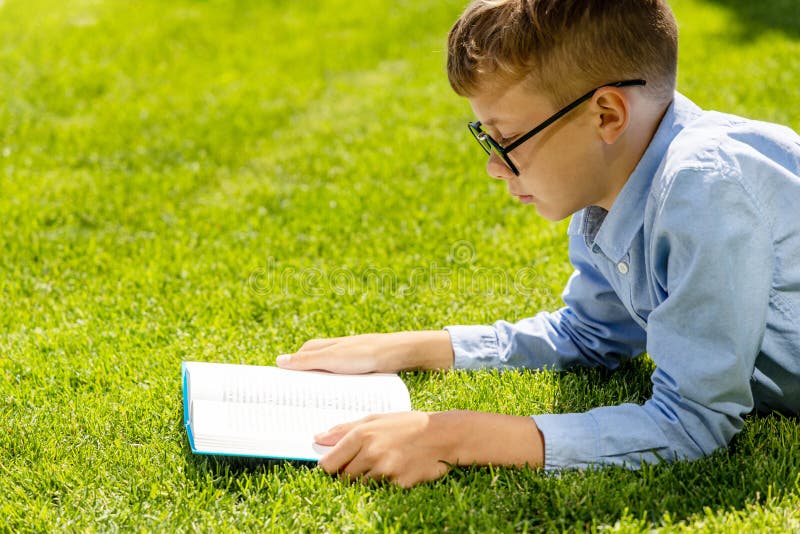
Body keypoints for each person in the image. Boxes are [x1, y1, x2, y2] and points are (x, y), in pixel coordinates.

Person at [276, 0, 800, 488]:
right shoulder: (613, 184)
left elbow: (692, 423)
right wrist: (409, 347)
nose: (493, 165)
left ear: (606, 115)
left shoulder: (704, 187)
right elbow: (592, 335)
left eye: (506, 140)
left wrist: (454, 435)